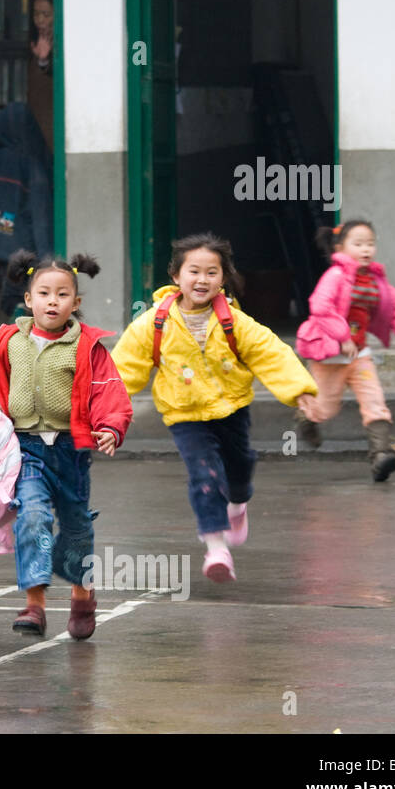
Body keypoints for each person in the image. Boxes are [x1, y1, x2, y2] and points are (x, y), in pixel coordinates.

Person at [111, 233, 318, 583]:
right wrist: (103, 412)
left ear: (223, 278)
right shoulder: (154, 323)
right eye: (194, 271)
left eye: (212, 272)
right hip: (184, 414)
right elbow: (122, 369)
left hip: (231, 407)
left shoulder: (234, 321)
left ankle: (238, 505)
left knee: (240, 469)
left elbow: (271, 353)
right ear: (176, 276)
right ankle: (216, 548)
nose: (202, 280)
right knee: (204, 477)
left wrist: (300, 390)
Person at [0, 251, 131, 638]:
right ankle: (35, 605)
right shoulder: (9, 340)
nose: (52, 301)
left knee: (77, 527)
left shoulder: (89, 347)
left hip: (72, 451)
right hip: (26, 448)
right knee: (32, 516)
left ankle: (82, 596)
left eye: (62, 295)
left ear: (75, 304)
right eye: (44, 293)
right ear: (28, 300)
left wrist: (110, 429)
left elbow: (109, 392)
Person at [294, 220, 395, 481]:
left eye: (370, 243)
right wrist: (342, 336)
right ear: (340, 247)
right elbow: (320, 307)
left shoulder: (375, 280)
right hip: (330, 356)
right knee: (324, 409)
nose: (366, 249)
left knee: (375, 402)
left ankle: (380, 456)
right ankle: (307, 418)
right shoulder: (336, 276)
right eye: (358, 243)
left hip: (360, 355)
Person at [0, 104, 53, 318]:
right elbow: (39, 208)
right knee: (25, 280)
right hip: (23, 236)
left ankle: (13, 310)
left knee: (11, 276)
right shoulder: (34, 161)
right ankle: (19, 313)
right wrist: (45, 250)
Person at [26, 0, 56, 158]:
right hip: (37, 119)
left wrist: (44, 60)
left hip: (52, 119)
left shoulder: (62, 40)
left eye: (46, 14)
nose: (39, 20)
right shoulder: (36, 41)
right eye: (36, 14)